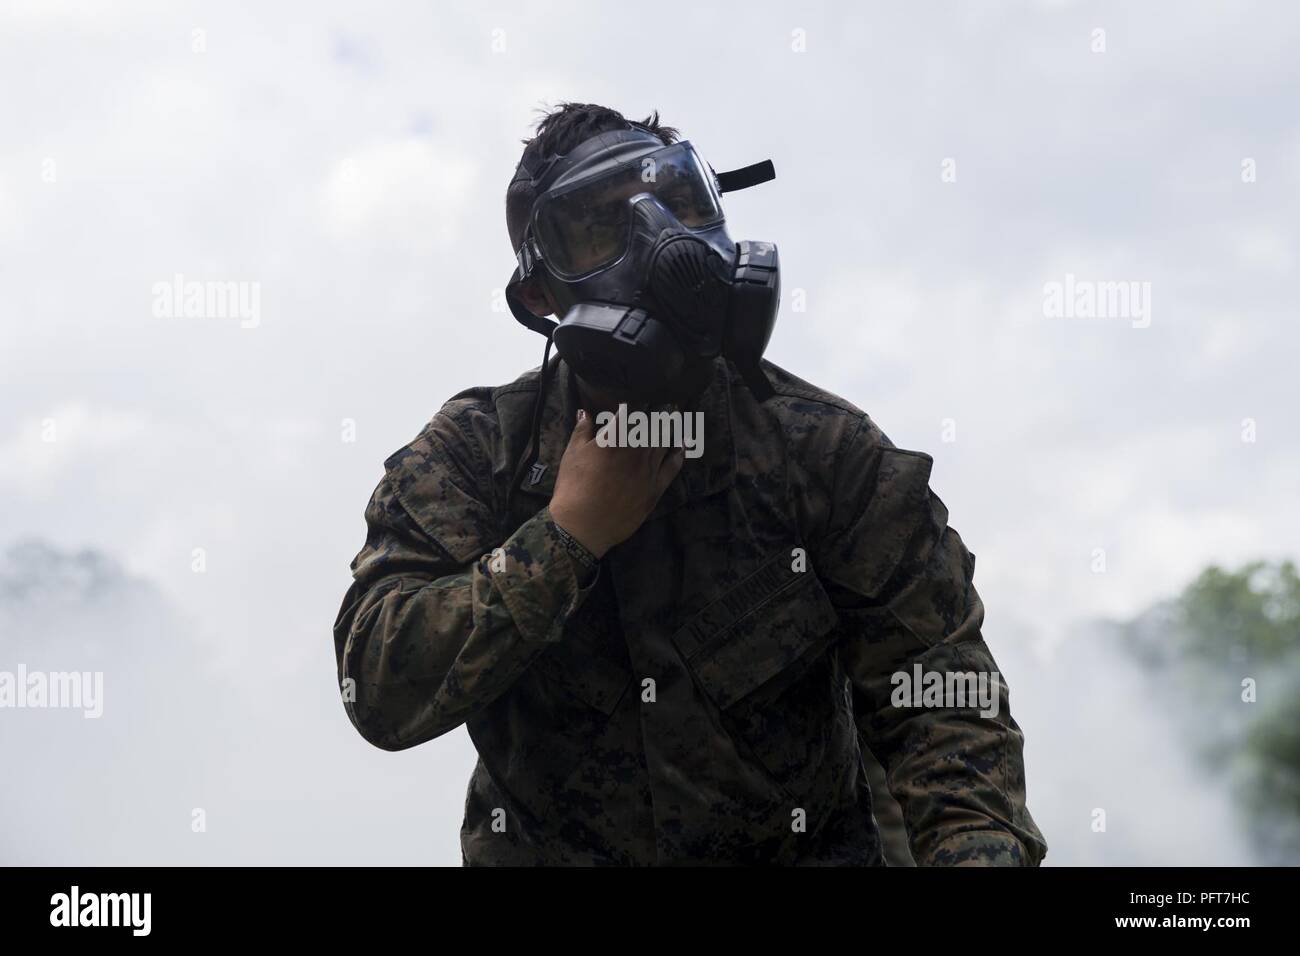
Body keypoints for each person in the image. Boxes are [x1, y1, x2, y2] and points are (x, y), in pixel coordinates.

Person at [333, 102, 1048, 866]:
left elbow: (944, 707)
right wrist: (565, 538)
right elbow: (378, 687)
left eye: (680, 203)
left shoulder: (826, 454)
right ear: (541, 296)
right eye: (603, 226)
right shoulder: (480, 456)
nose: (662, 243)